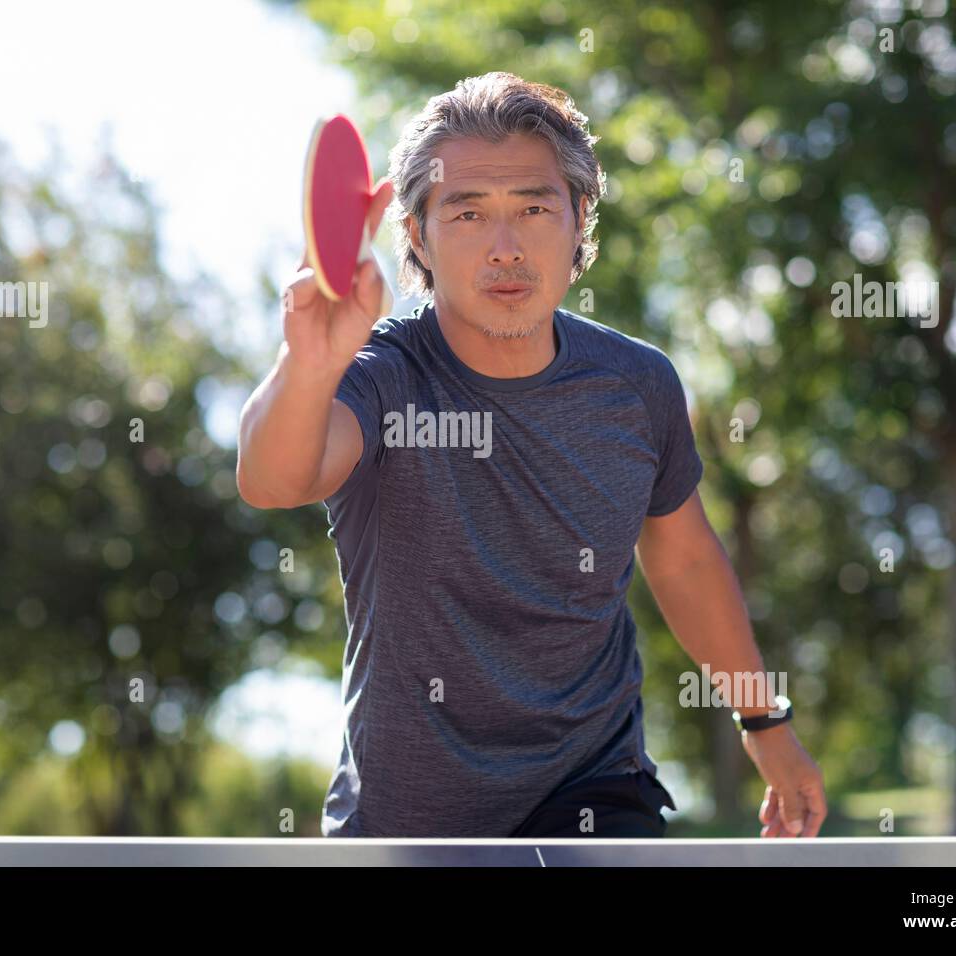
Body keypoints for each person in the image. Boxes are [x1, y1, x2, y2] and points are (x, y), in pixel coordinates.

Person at [237, 72, 825, 839]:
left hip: (596, 790)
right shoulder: (378, 376)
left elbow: (683, 561)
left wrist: (765, 720)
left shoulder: (639, 384)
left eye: (535, 208)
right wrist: (311, 363)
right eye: (469, 212)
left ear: (580, 218)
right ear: (418, 233)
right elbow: (273, 480)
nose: (505, 248)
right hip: (405, 820)